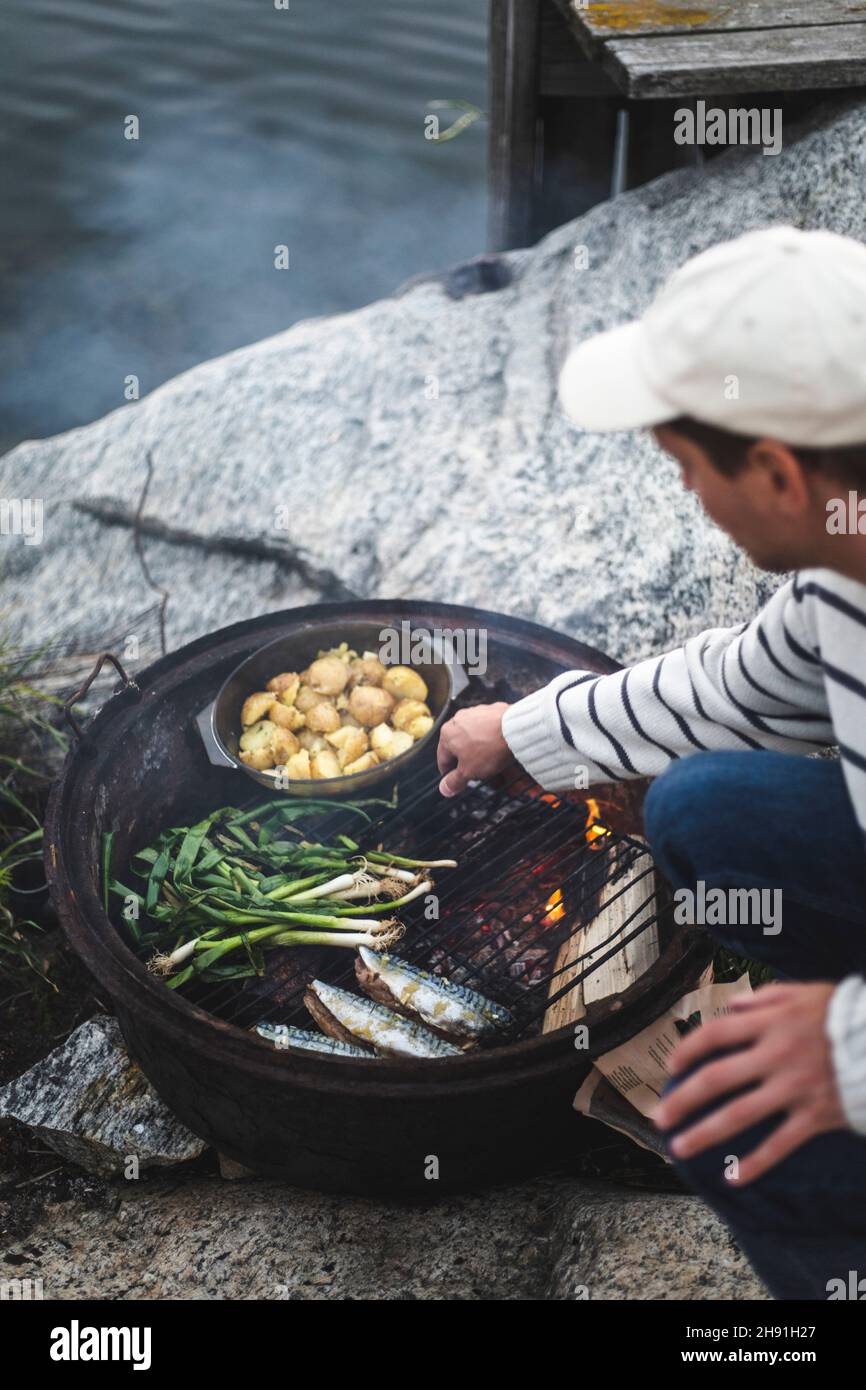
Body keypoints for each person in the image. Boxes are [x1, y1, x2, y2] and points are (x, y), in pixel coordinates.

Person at [435, 227, 866, 1301]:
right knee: (705, 805)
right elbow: (730, 688)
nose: (684, 496)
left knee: (735, 1119)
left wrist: (840, 1048)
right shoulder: (841, 565)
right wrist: (522, 733)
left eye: (683, 469)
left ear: (771, 470)